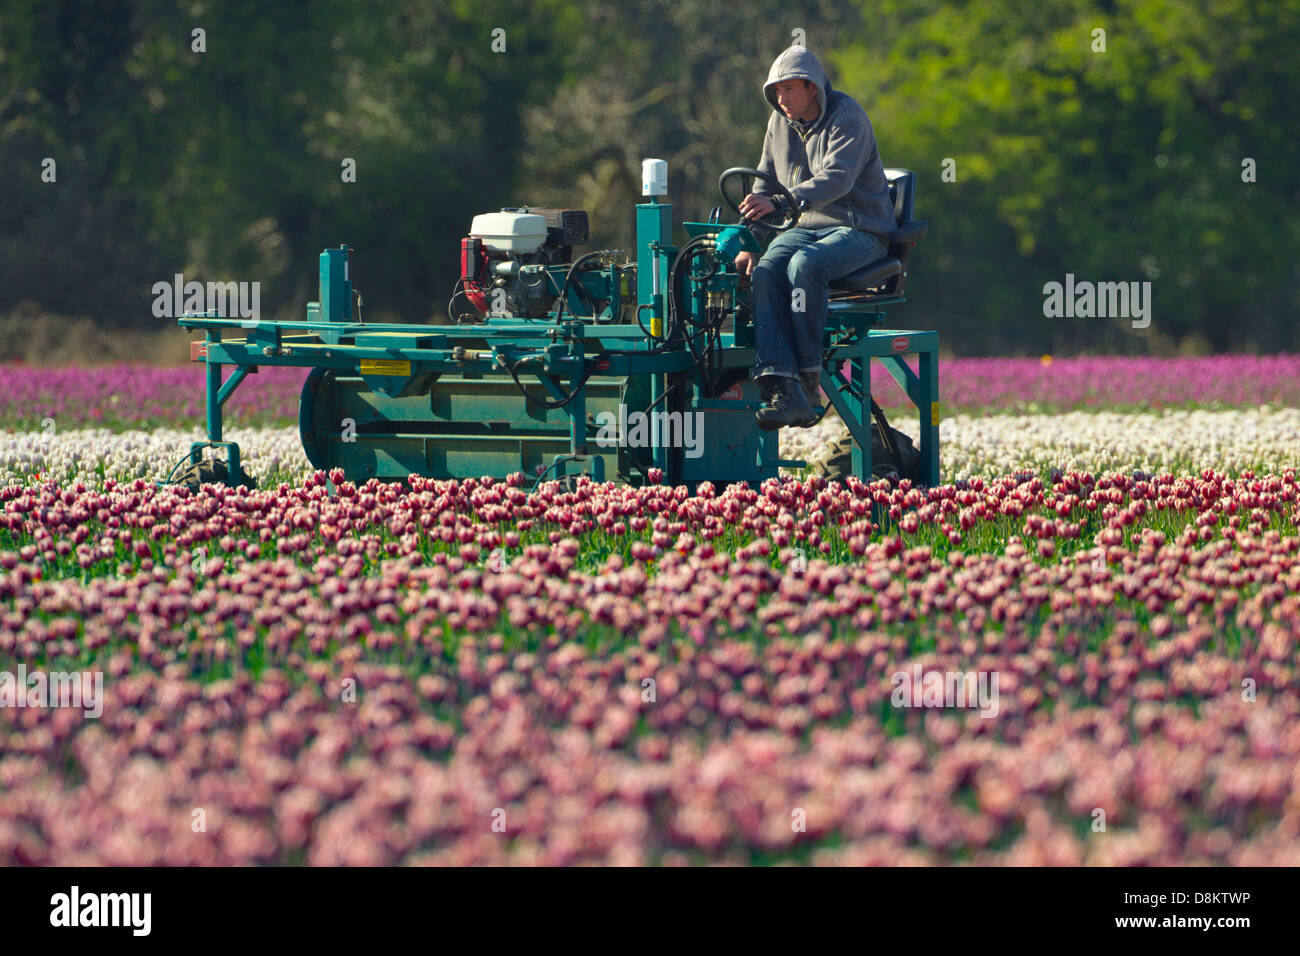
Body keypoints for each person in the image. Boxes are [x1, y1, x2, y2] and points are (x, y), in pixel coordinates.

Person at [735, 47, 896, 430]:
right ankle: (781, 386)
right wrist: (750, 241)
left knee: (804, 265)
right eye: (776, 92)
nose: (781, 99)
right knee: (769, 267)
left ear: (812, 87)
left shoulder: (848, 118)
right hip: (805, 226)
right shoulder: (778, 123)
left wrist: (779, 201)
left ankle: (809, 382)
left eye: (788, 90)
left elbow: (837, 179)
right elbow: (765, 177)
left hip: (861, 228)